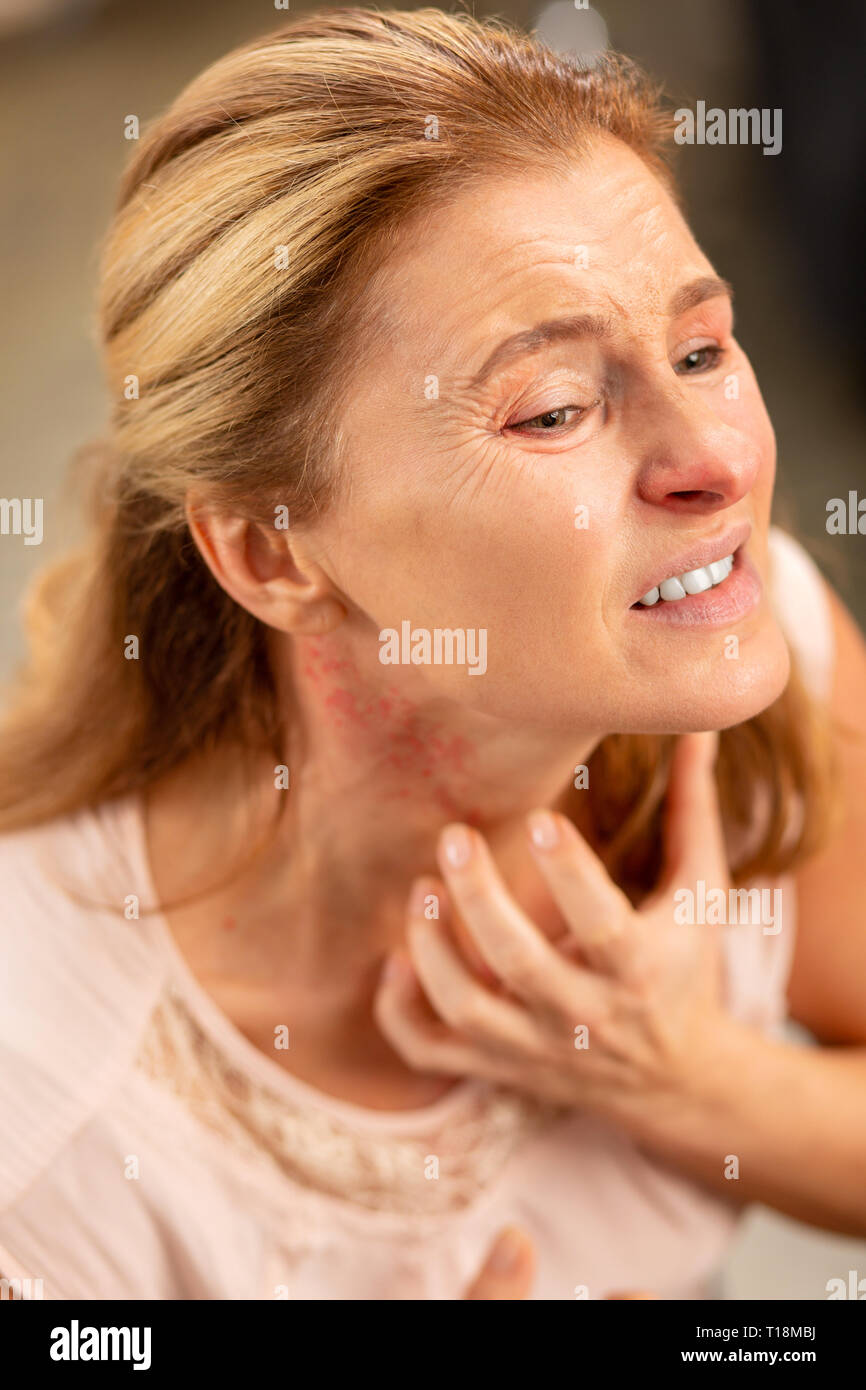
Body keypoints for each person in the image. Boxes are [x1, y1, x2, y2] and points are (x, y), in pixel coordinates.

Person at [1, 9, 865, 1301]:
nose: (722, 460)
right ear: (275, 552)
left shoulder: (760, 641)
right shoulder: (47, 1116)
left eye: (699, 348)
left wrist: (690, 1075)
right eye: (557, 408)